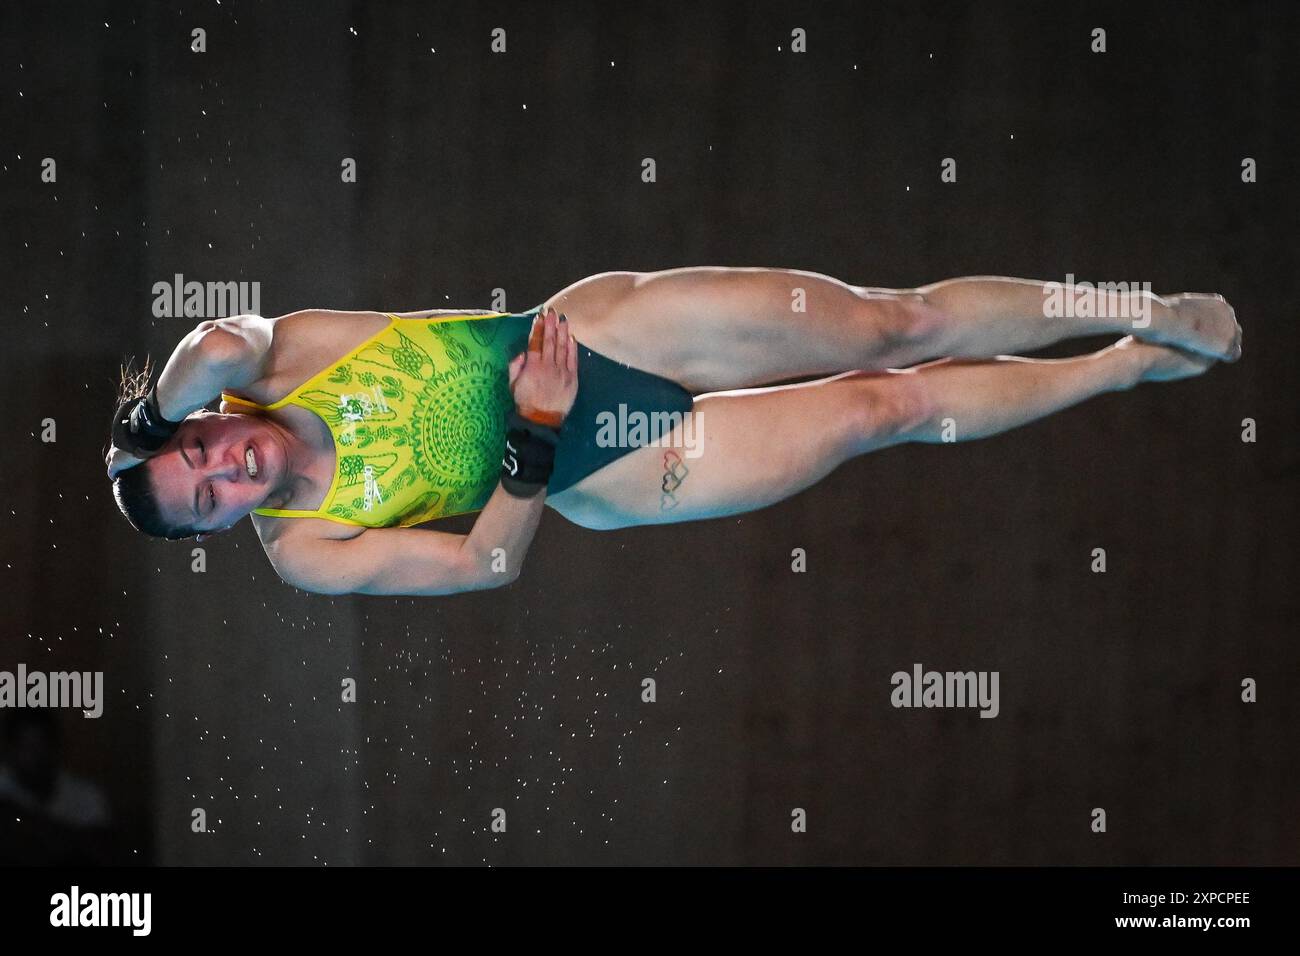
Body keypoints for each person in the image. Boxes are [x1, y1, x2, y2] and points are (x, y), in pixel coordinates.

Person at [106, 268, 1241, 596]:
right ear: (221, 530)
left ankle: (1128, 305)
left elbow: (214, 338)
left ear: (200, 417)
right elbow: (482, 563)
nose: (225, 464)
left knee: (898, 325)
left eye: (199, 444)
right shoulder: (307, 549)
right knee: (884, 407)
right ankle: (1118, 368)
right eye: (207, 494)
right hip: (604, 466)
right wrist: (534, 441)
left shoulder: (274, 358)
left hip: (595, 331)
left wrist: (149, 418)